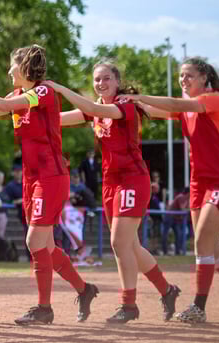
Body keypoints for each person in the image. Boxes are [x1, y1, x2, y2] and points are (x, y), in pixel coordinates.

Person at [0, 45, 99, 324]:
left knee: (33, 240)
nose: (8, 71)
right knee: (46, 247)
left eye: (12, 65)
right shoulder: (19, 94)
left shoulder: (42, 91)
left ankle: (44, 308)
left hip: (50, 175)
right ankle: (85, 290)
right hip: (32, 177)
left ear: (25, 67)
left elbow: (3, 107)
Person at [52, 64, 182, 322]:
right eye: (96, 79)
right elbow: (58, 119)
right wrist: (25, 110)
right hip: (111, 183)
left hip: (132, 179)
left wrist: (58, 88)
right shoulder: (97, 110)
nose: (101, 83)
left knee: (118, 243)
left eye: (106, 78)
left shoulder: (124, 105)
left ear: (117, 81)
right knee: (130, 246)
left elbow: (92, 109)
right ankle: (167, 291)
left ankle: (129, 305)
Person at [123, 57, 219, 323]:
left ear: (204, 77)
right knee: (212, 250)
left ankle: (198, 307)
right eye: (181, 76)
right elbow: (155, 110)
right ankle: (198, 306)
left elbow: (172, 104)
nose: (183, 80)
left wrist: (138, 97)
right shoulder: (188, 108)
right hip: (199, 182)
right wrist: (124, 103)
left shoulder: (214, 99)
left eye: (189, 75)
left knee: (203, 240)